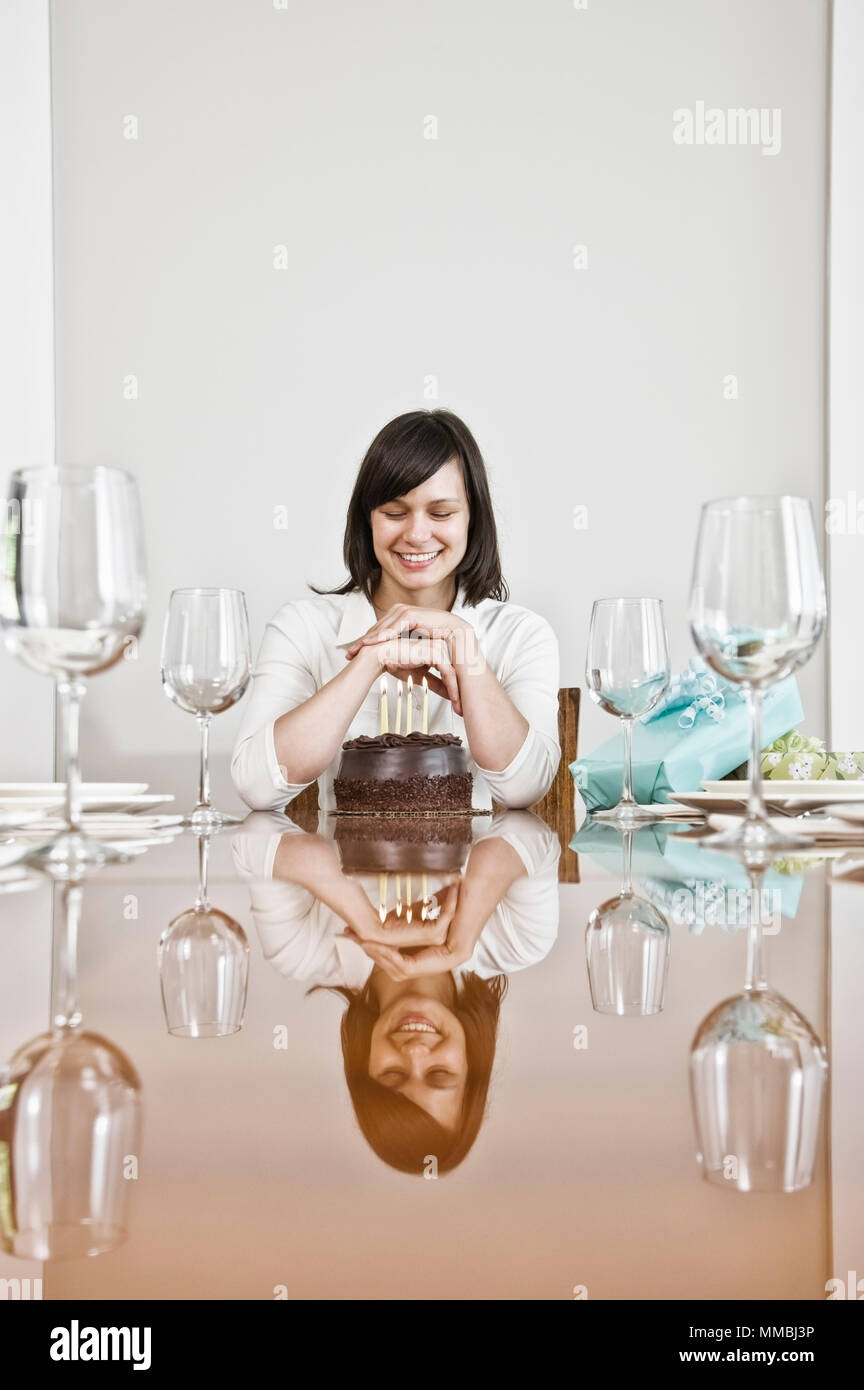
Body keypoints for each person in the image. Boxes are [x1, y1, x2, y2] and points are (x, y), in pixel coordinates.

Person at [231, 409, 561, 813]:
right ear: (366, 519)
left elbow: (524, 789)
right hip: (343, 872)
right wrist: (372, 658)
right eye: (394, 512)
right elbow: (258, 787)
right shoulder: (302, 628)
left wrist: (467, 651)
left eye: (441, 513)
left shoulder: (522, 635)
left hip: (472, 873)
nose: (418, 534)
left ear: (473, 519)